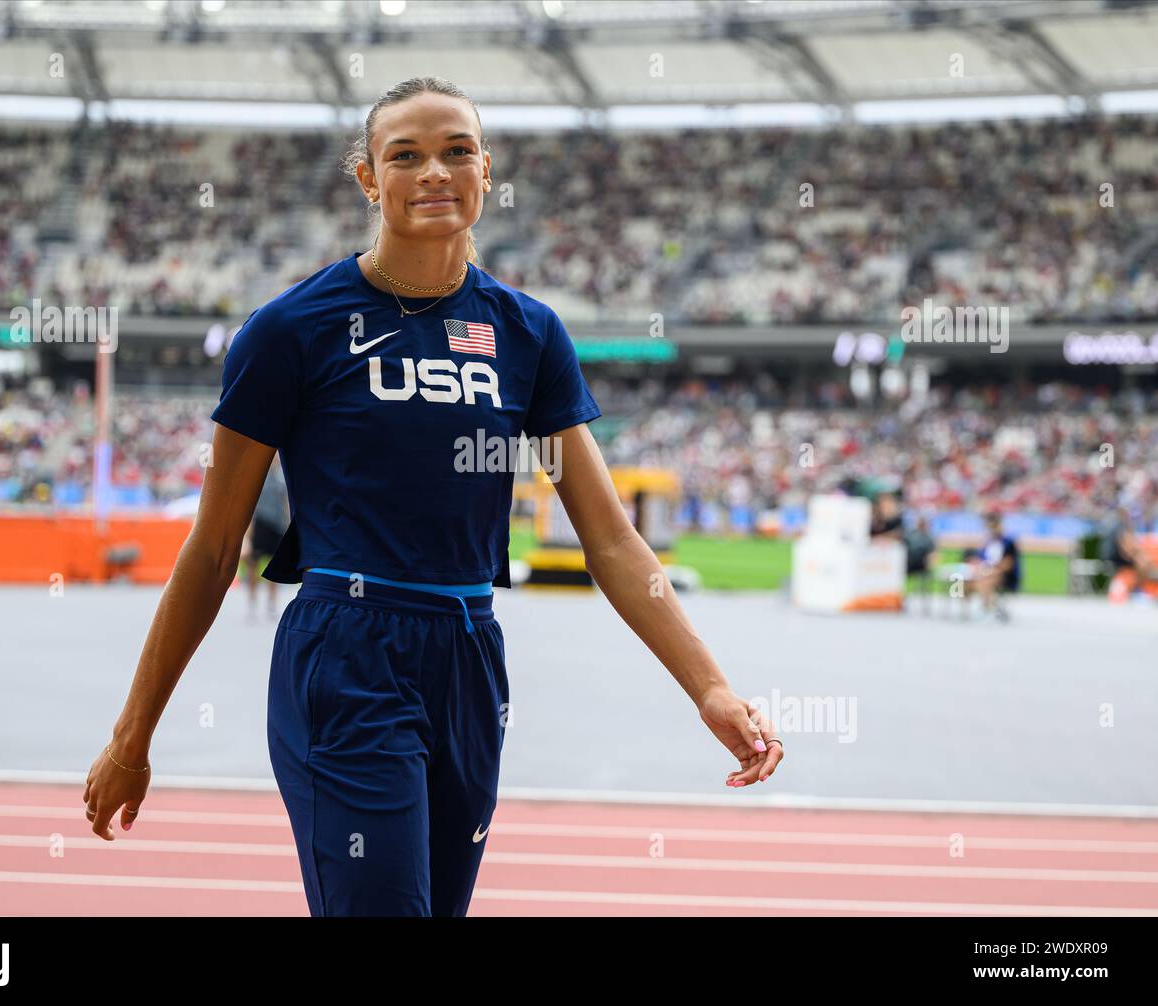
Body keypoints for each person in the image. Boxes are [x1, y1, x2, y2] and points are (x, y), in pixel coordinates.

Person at [82, 76, 782, 917]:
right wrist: (134, 734)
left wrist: (708, 686)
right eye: (405, 156)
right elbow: (211, 545)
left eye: (457, 152)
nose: (435, 173)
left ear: (486, 171)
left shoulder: (529, 333)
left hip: (469, 658)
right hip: (345, 655)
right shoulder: (288, 331)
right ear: (368, 180)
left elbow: (613, 543)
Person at [241, 460, 289, 622]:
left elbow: (285, 505)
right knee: (253, 566)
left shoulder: (282, 479)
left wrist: (288, 526)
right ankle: (252, 603)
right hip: (260, 526)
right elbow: (249, 506)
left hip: (277, 527)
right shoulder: (256, 478)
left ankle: (271, 604)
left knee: (274, 567)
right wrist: (247, 533)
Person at [968, 510, 1020, 621]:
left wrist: (990, 569)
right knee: (961, 580)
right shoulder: (987, 541)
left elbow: (1008, 564)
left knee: (985, 581)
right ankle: (964, 608)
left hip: (1004, 575)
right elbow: (980, 559)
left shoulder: (1008, 542)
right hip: (985, 572)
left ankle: (986, 608)